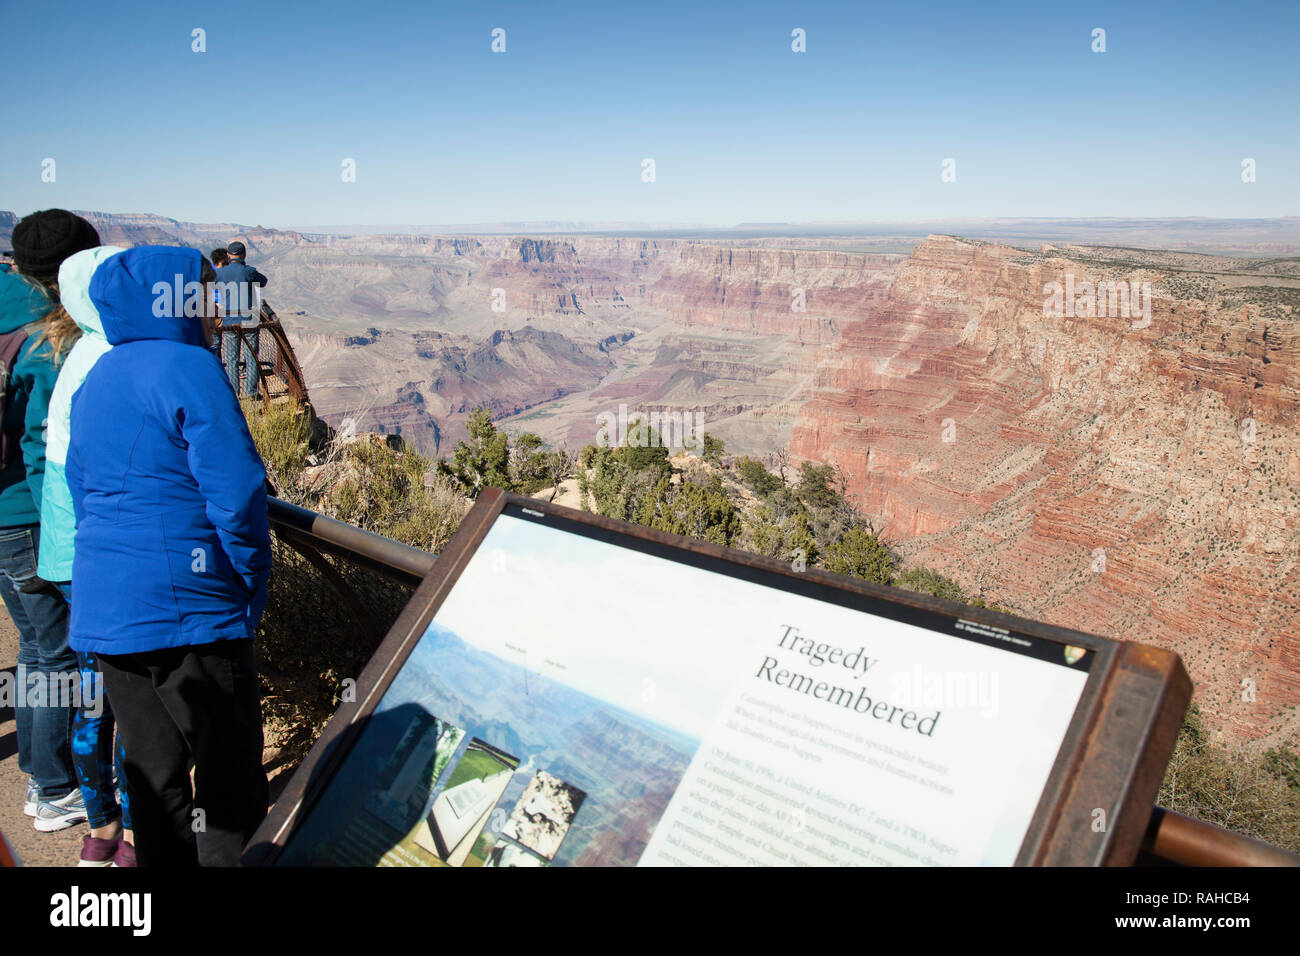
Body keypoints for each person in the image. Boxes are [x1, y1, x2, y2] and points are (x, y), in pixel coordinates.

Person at [67, 245, 272, 867]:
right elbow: (236, 493)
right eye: (205, 291)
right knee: (228, 779)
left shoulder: (99, 374)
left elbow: (81, 487)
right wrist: (248, 579)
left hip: (109, 608)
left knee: (153, 778)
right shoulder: (189, 367)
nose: (215, 304)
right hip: (188, 610)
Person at [1, 209, 99, 833]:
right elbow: (44, 448)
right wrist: (66, 535)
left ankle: (43, 776)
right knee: (53, 651)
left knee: (36, 646)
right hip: (26, 519)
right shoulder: (47, 336)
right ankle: (54, 787)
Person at [41, 244, 136, 866]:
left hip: (71, 553)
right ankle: (128, 833)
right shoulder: (113, 358)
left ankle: (99, 831)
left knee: (91, 690)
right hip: (102, 555)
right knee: (130, 697)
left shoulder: (81, 348)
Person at [214, 240, 267, 398]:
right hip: (249, 318)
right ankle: (252, 392)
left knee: (231, 358)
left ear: (228, 255)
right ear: (244, 254)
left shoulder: (220, 273)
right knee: (251, 356)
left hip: (230, 320)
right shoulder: (249, 271)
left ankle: (234, 393)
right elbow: (263, 281)